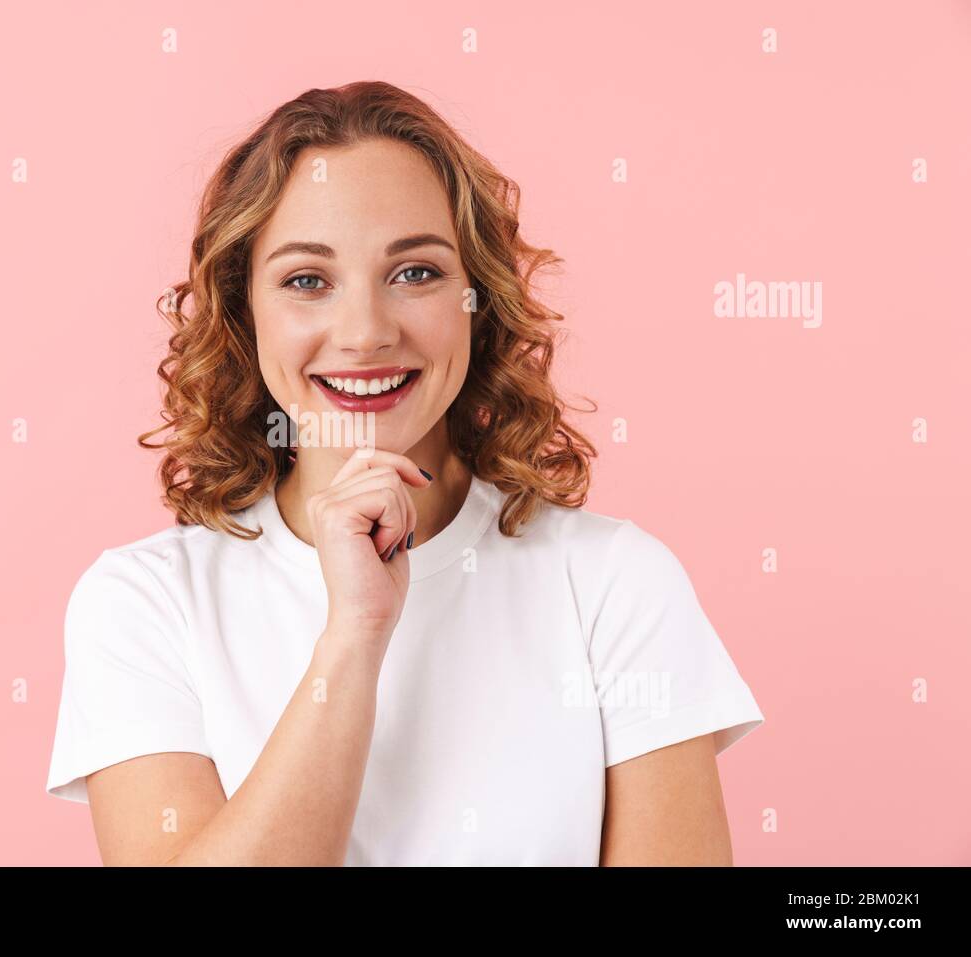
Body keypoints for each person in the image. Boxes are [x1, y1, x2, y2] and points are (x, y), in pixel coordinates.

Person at [46, 80, 764, 866]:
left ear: (476, 298)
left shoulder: (613, 582)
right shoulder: (144, 604)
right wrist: (354, 633)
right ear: (243, 310)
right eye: (307, 280)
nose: (365, 332)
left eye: (416, 272)